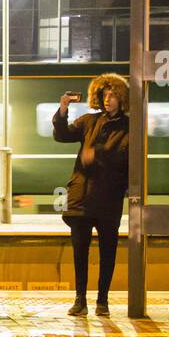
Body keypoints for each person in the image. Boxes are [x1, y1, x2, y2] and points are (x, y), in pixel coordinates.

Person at [52, 73, 130, 317]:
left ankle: (102, 301)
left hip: (108, 199)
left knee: (108, 252)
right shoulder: (88, 121)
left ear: (122, 98)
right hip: (81, 199)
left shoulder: (129, 127)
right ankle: (80, 300)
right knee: (79, 252)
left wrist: (97, 154)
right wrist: (63, 110)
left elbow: (125, 157)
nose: (108, 100)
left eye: (113, 95)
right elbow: (62, 135)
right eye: (105, 95)